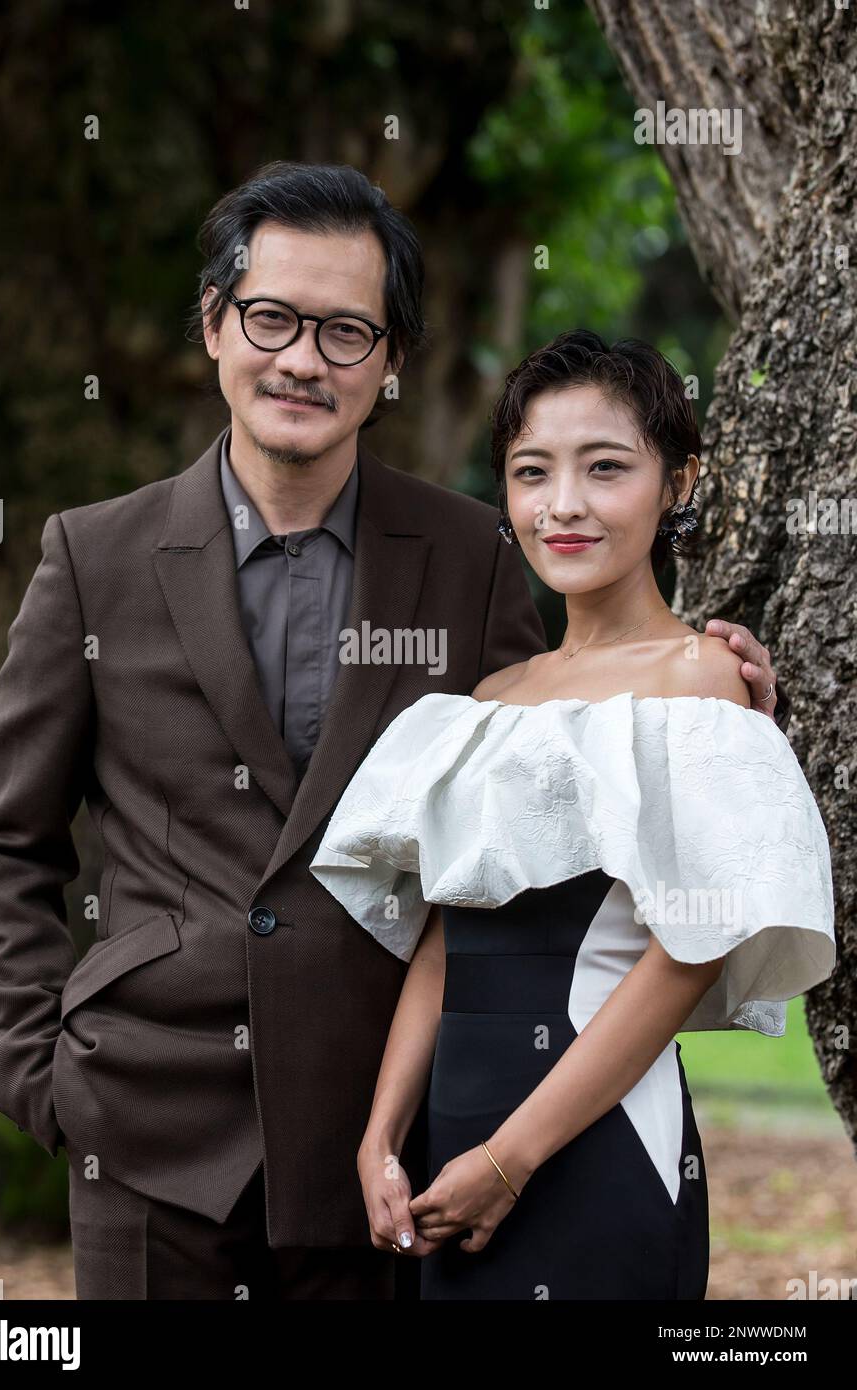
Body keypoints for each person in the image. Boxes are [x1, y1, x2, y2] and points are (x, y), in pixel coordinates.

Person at [0, 161, 789, 1302]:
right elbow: (6, 842)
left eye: (347, 331)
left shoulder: (467, 553)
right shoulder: (91, 557)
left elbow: (545, 779)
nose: (303, 358)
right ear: (212, 324)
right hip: (144, 1133)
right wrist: (37, 1076)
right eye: (270, 318)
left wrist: (711, 675)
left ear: (391, 361)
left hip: (386, 1149)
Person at [309, 329, 836, 1300]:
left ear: (677, 484)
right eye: (530, 472)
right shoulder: (490, 698)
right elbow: (441, 942)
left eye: (605, 469)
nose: (563, 505)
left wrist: (510, 1160)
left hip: (594, 1148)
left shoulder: (702, 679)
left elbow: (690, 950)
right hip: (446, 1150)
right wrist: (382, 1138)